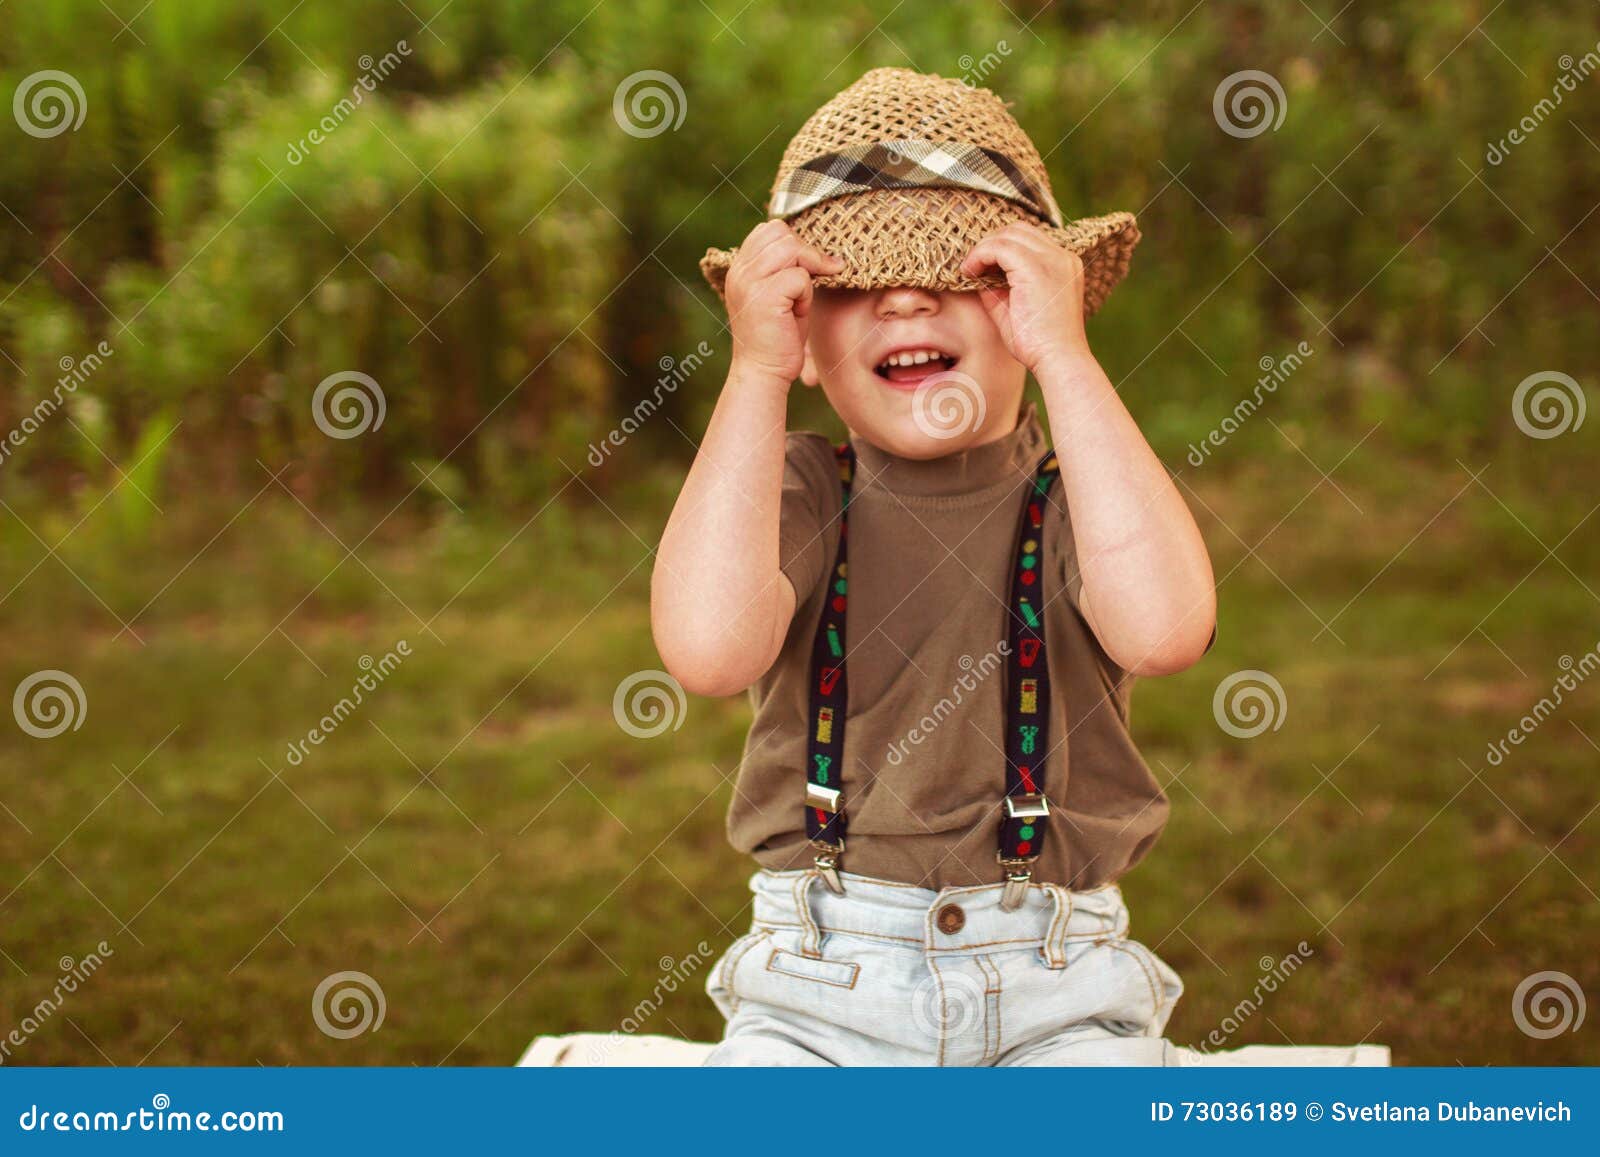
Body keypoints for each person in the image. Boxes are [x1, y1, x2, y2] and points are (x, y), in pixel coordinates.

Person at [652, 67, 1216, 1065]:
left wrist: (1068, 361)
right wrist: (752, 376)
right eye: (853, 283)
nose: (907, 297)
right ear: (805, 339)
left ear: (1037, 312)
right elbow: (704, 648)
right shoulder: (802, 490)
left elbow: (1167, 629)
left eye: (969, 277)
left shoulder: (1078, 486)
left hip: (1058, 976)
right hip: (820, 977)